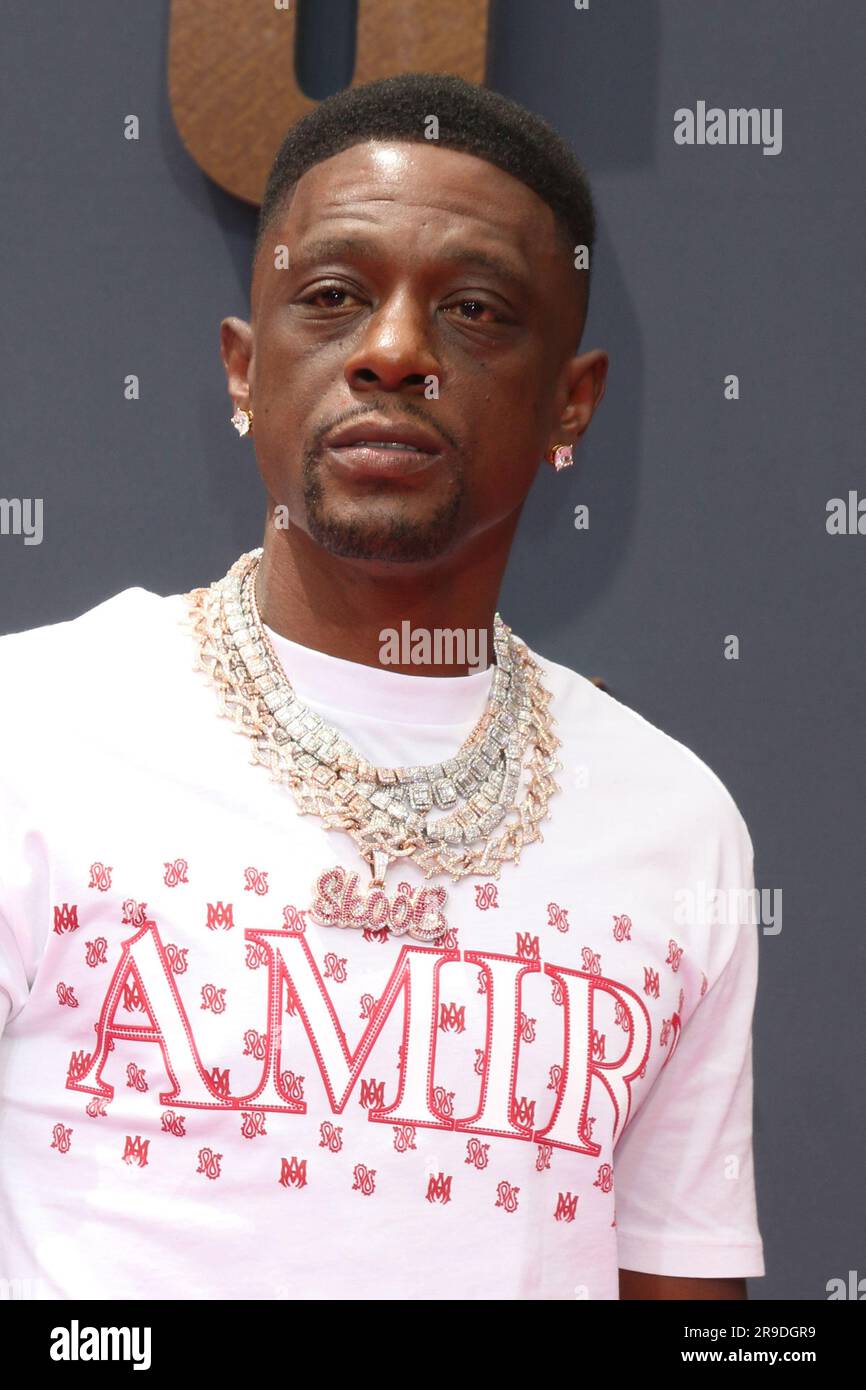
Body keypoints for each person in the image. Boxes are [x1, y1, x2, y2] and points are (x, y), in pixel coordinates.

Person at [0, 73, 764, 1301]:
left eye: (471, 308)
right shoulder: (32, 733)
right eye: (333, 297)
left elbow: (681, 1294)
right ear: (243, 369)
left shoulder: (673, 822)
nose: (395, 351)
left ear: (570, 402)